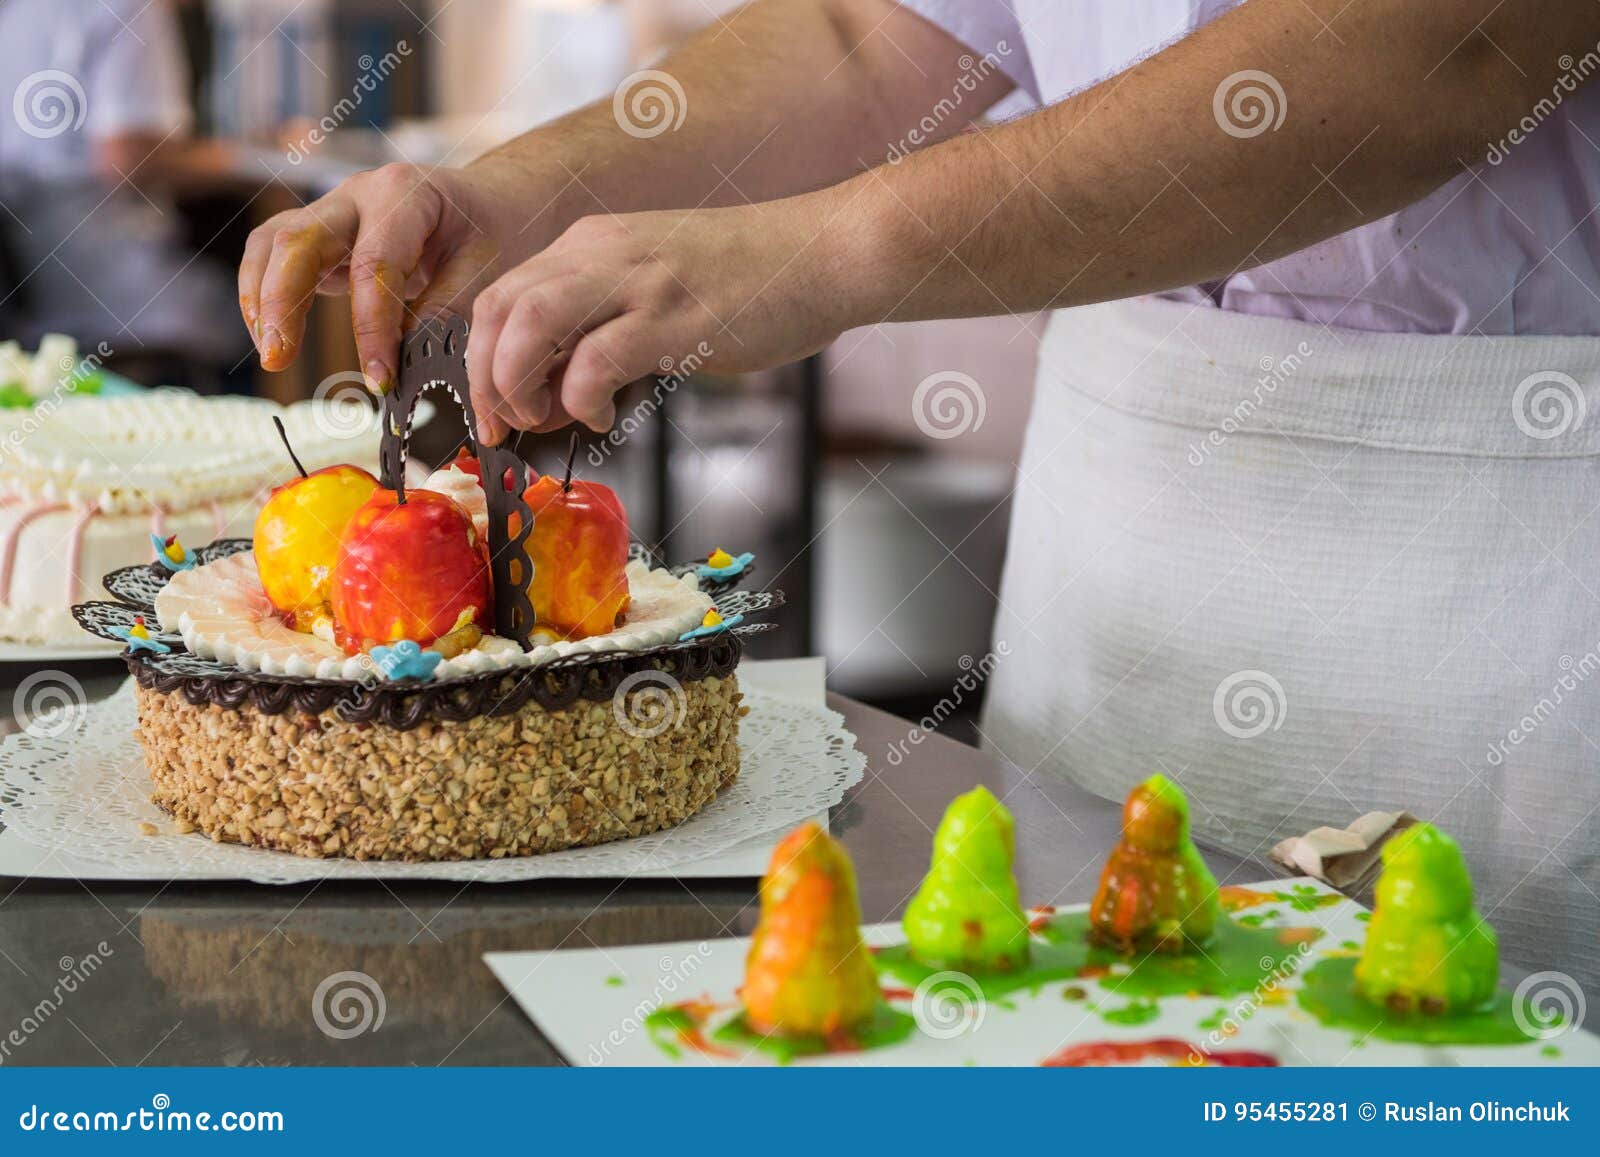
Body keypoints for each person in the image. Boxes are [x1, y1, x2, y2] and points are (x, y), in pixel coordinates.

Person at [241, 0, 1600, 1001]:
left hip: (1508, 561)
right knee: (1082, 1026)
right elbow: (865, 33)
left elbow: (1456, 43)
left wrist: (835, 249)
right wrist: (512, 194)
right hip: (1122, 545)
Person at [0, 0, 243, 374]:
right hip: (114, 295)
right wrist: (257, 154)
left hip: (31, 305)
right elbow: (127, 157)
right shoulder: (132, 7)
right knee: (271, 304)